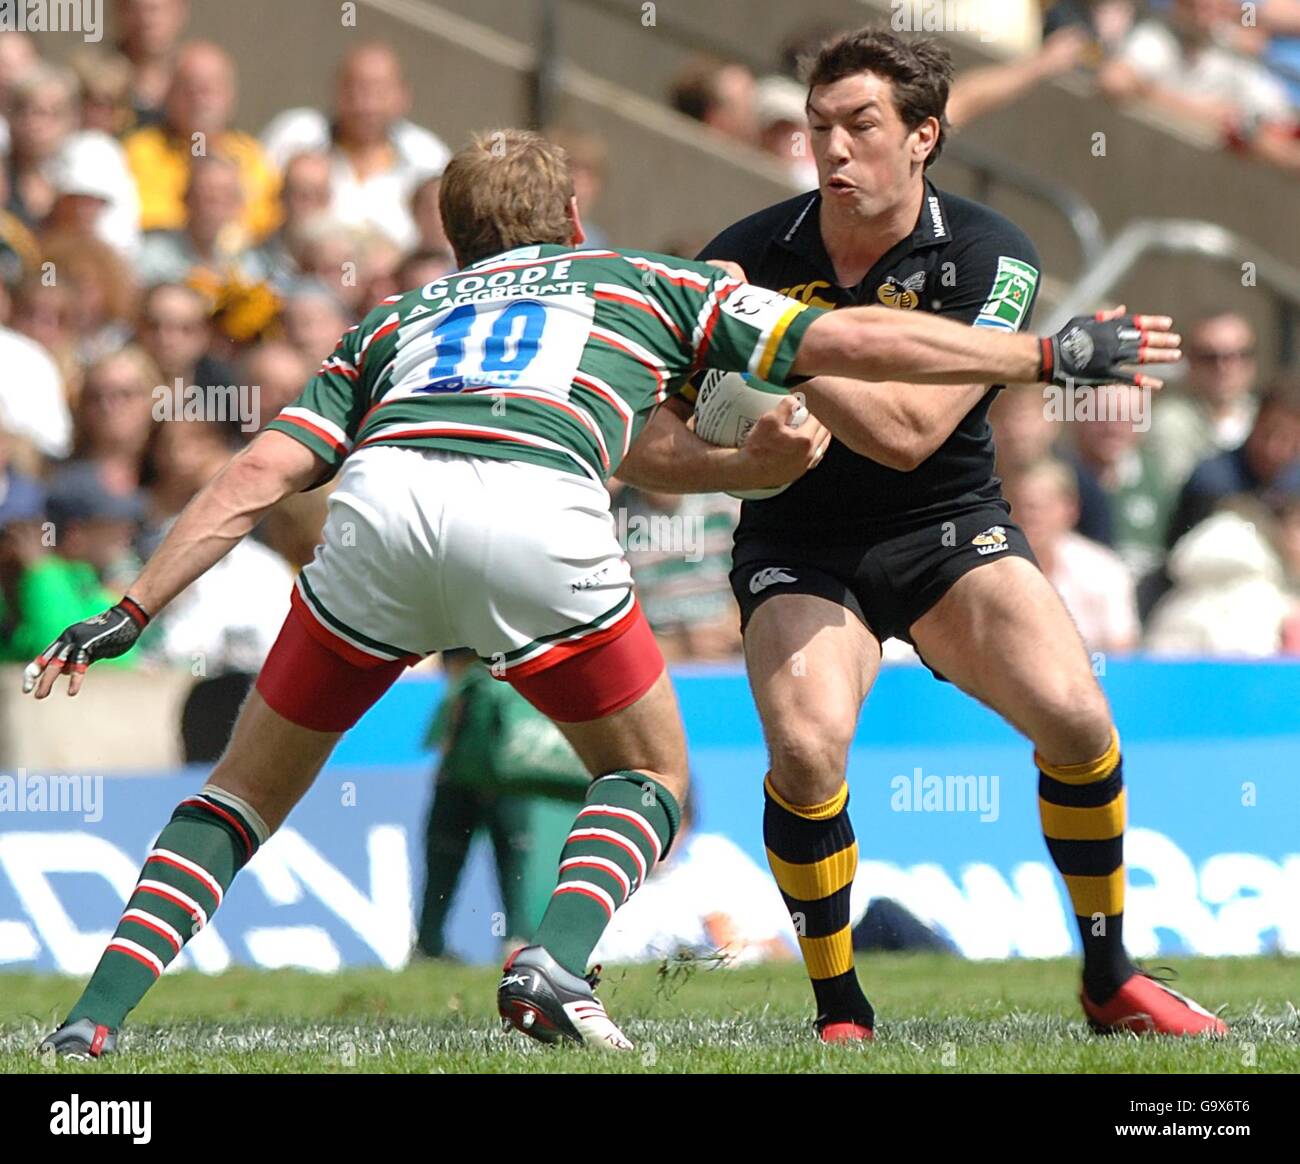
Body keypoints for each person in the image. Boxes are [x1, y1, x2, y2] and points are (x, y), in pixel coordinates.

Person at [26, 127, 1174, 1059]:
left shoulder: (393, 323)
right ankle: (556, 957)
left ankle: (90, 1025)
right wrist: (1041, 358)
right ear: (572, 222)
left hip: (375, 521)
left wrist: (130, 609)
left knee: (238, 800)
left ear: (450, 235)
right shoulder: (637, 282)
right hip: (534, 520)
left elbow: (255, 472)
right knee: (651, 775)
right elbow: (853, 337)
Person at [618, 27, 1221, 1042]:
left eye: (860, 126)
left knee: (1077, 723)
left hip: (947, 530)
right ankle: (838, 1009)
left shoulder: (992, 253)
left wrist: (781, 349)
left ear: (923, 137)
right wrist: (732, 464)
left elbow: (908, 436)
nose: (833, 150)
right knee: (806, 753)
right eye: (818, 129)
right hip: (798, 542)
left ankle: (1110, 977)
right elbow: (643, 445)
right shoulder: (745, 254)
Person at [417, 649, 590, 960]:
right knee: (501, 856)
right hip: (491, 760)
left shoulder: (468, 676)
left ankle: (434, 945)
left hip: (482, 757)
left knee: (467, 853)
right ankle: (510, 941)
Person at [1003, 458, 1139, 654]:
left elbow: (1122, 649)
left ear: (1071, 509)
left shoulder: (1105, 570)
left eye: (1043, 505)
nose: (1031, 515)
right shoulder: (987, 569)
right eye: (1021, 504)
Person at [1146, 312, 1261, 495]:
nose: (1224, 367)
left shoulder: (1266, 419)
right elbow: (1177, 491)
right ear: (1190, 362)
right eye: (1210, 357)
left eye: (1237, 355)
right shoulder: (1171, 421)